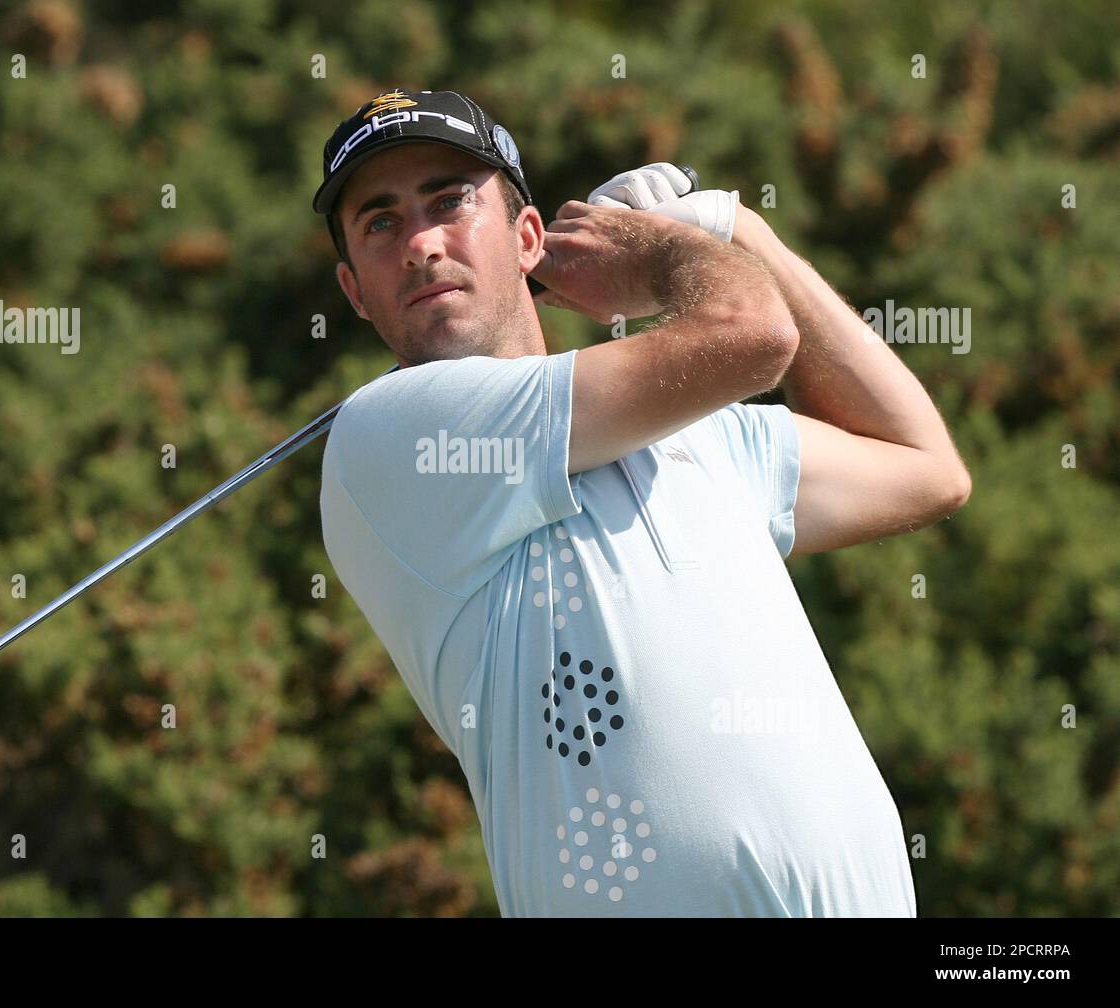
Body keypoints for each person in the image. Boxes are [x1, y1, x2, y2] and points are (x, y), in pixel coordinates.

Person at [312, 87, 971, 916]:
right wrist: (667, 255)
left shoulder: (708, 438)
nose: (420, 244)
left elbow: (927, 466)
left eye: (449, 201)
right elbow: (754, 334)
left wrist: (738, 229)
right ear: (355, 289)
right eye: (381, 222)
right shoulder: (391, 439)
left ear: (527, 240)